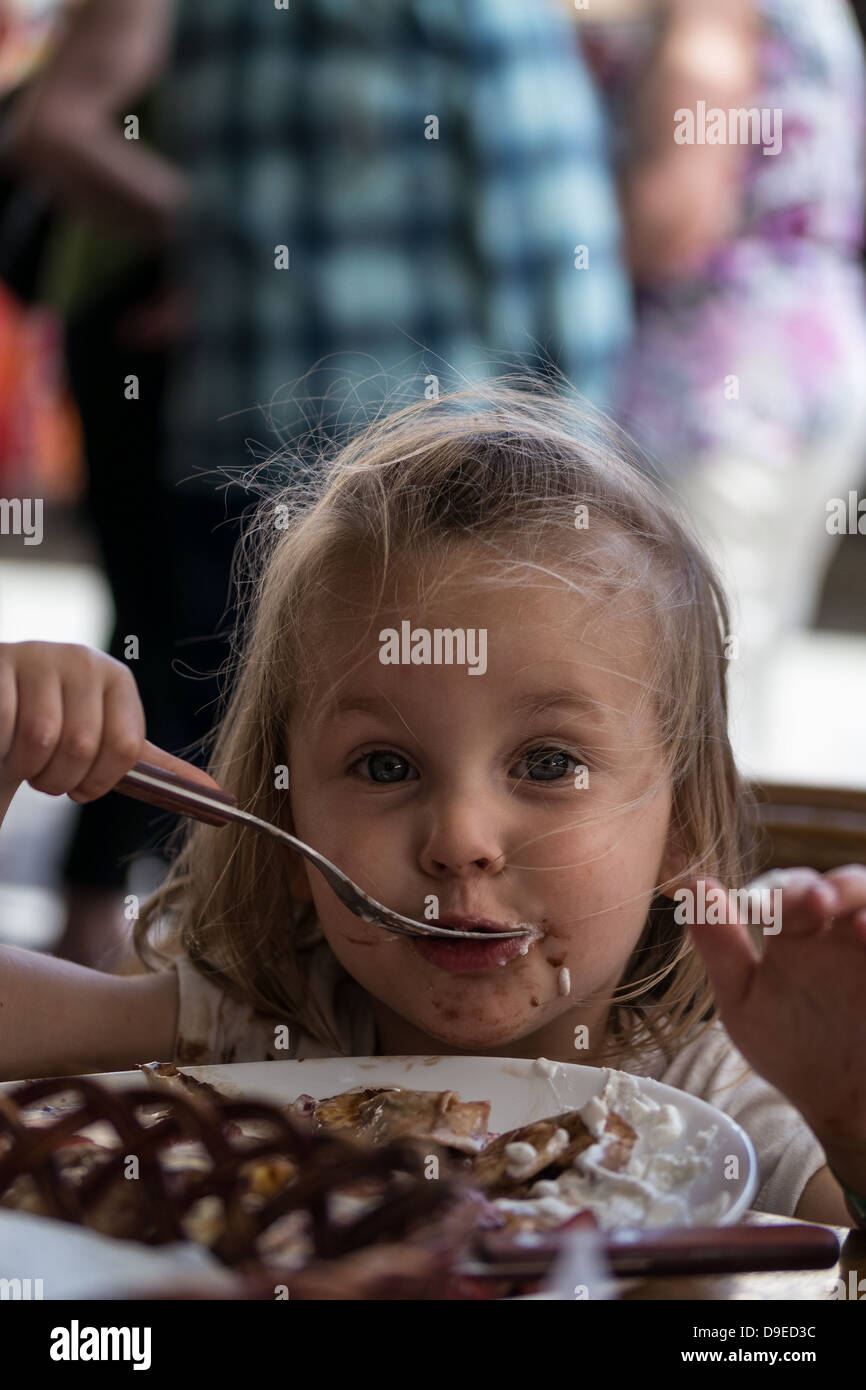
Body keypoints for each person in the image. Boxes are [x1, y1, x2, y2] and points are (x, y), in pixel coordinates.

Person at [0, 381, 864, 1229]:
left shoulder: (715, 1094)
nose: (460, 840)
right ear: (287, 822)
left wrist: (847, 1113)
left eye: (549, 762)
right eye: (384, 766)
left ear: (680, 828)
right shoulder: (246, 1036)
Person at [6, 0, 633, 965]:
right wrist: (579, 476)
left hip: (232, 434)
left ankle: (238, 1025)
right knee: (450, 753)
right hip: (427, 464)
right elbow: (544, 220)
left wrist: (239, 258)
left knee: (267, 757)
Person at [571, 0, 866, 766]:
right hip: (796, 371)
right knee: (740, 671)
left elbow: (677, 208)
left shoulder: (712, 10)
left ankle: (709, 885)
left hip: (724, 391)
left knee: (697, 690)